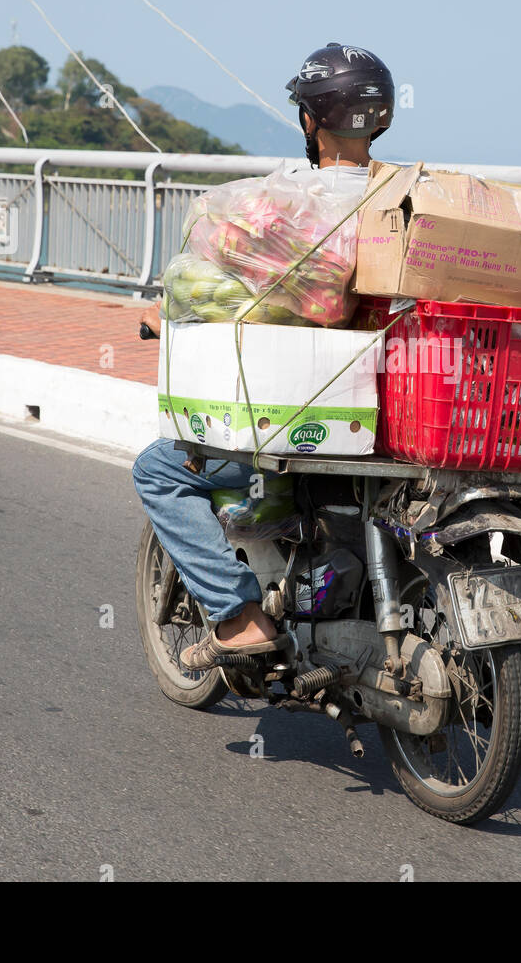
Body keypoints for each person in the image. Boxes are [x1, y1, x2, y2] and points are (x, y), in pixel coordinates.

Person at [132, 43, 394, 672]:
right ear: (381, 117)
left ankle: (239, 615)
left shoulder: (284, 204)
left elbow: (238, 296)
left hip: (303, 416)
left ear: (311, 120)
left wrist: (166, 313)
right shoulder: (407, 197)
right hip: (396, 414)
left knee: (159, 470)